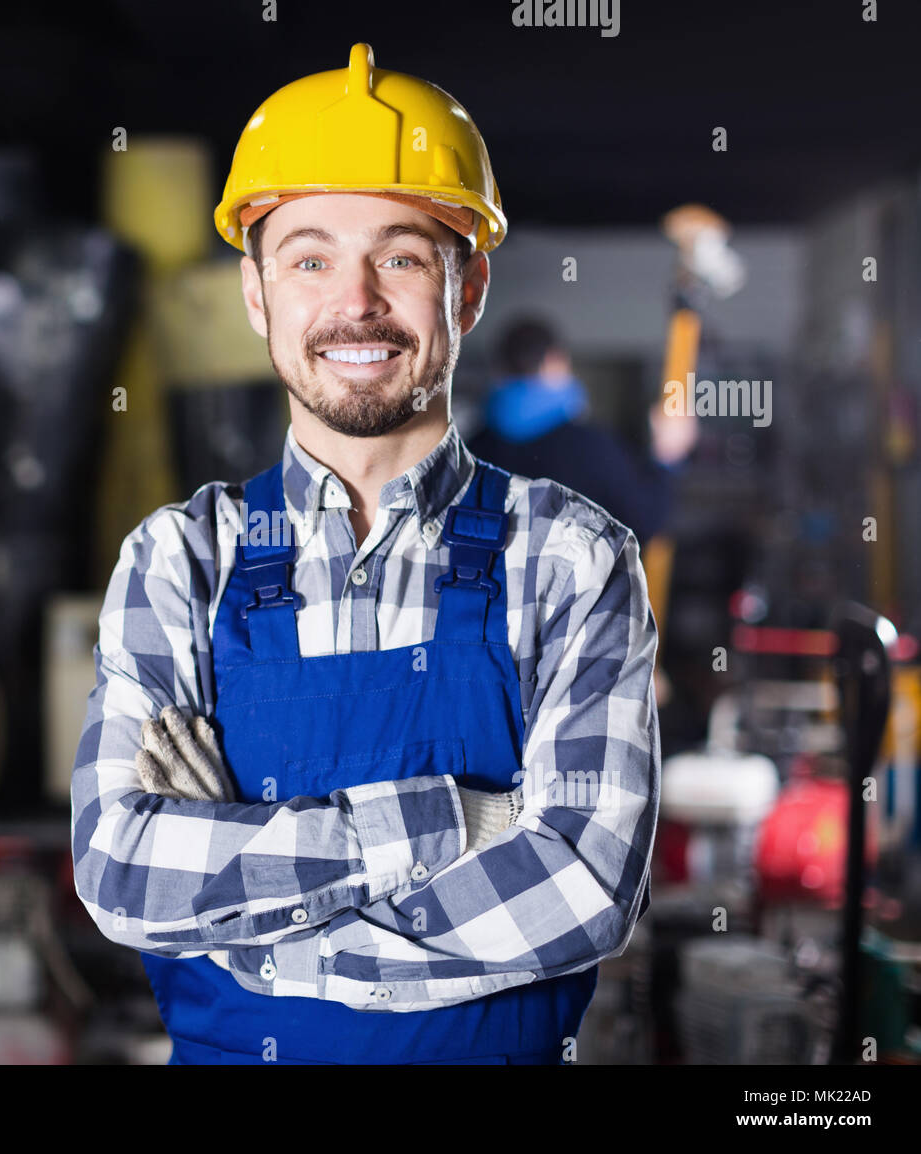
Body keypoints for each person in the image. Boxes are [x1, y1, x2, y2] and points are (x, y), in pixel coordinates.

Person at [71, 43, 660, 1065]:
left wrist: (254, 925)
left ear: (465, 289)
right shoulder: (180, 560)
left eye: (400, 254)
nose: (356, 303)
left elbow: (581, 886)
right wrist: (459, 819)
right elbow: (126, 872)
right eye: (307, 256)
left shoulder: (572, 561)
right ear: (257, 296)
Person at [468, 317, 698, 546]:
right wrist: (667, 456)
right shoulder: (592, 449)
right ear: (554, 361)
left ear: (499, 370)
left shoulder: (470, 450)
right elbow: (647, 521)